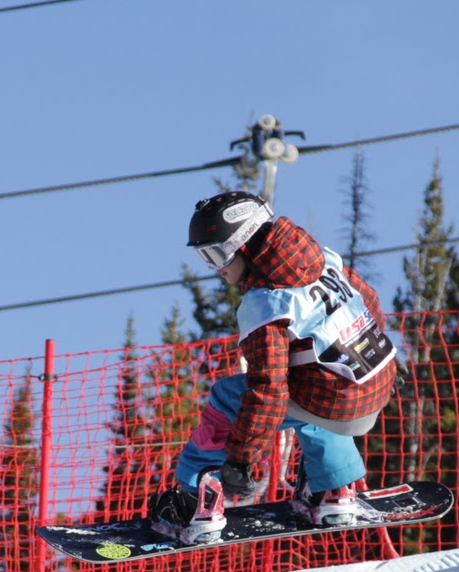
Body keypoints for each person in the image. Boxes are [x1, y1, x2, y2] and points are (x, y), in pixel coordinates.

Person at [146, 191, 398, 545]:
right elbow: (367, 302)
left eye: (217, 254)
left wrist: (241, 459)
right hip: (373, 378)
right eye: (206, 257)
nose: (217, 268)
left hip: (338, 396)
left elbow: (268, 388)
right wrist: (378, 361)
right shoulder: (325, 260)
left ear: (245, 245)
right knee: (314, 385)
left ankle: (194, 504)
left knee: (227, 397)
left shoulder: (266, 303)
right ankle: (333, 491)